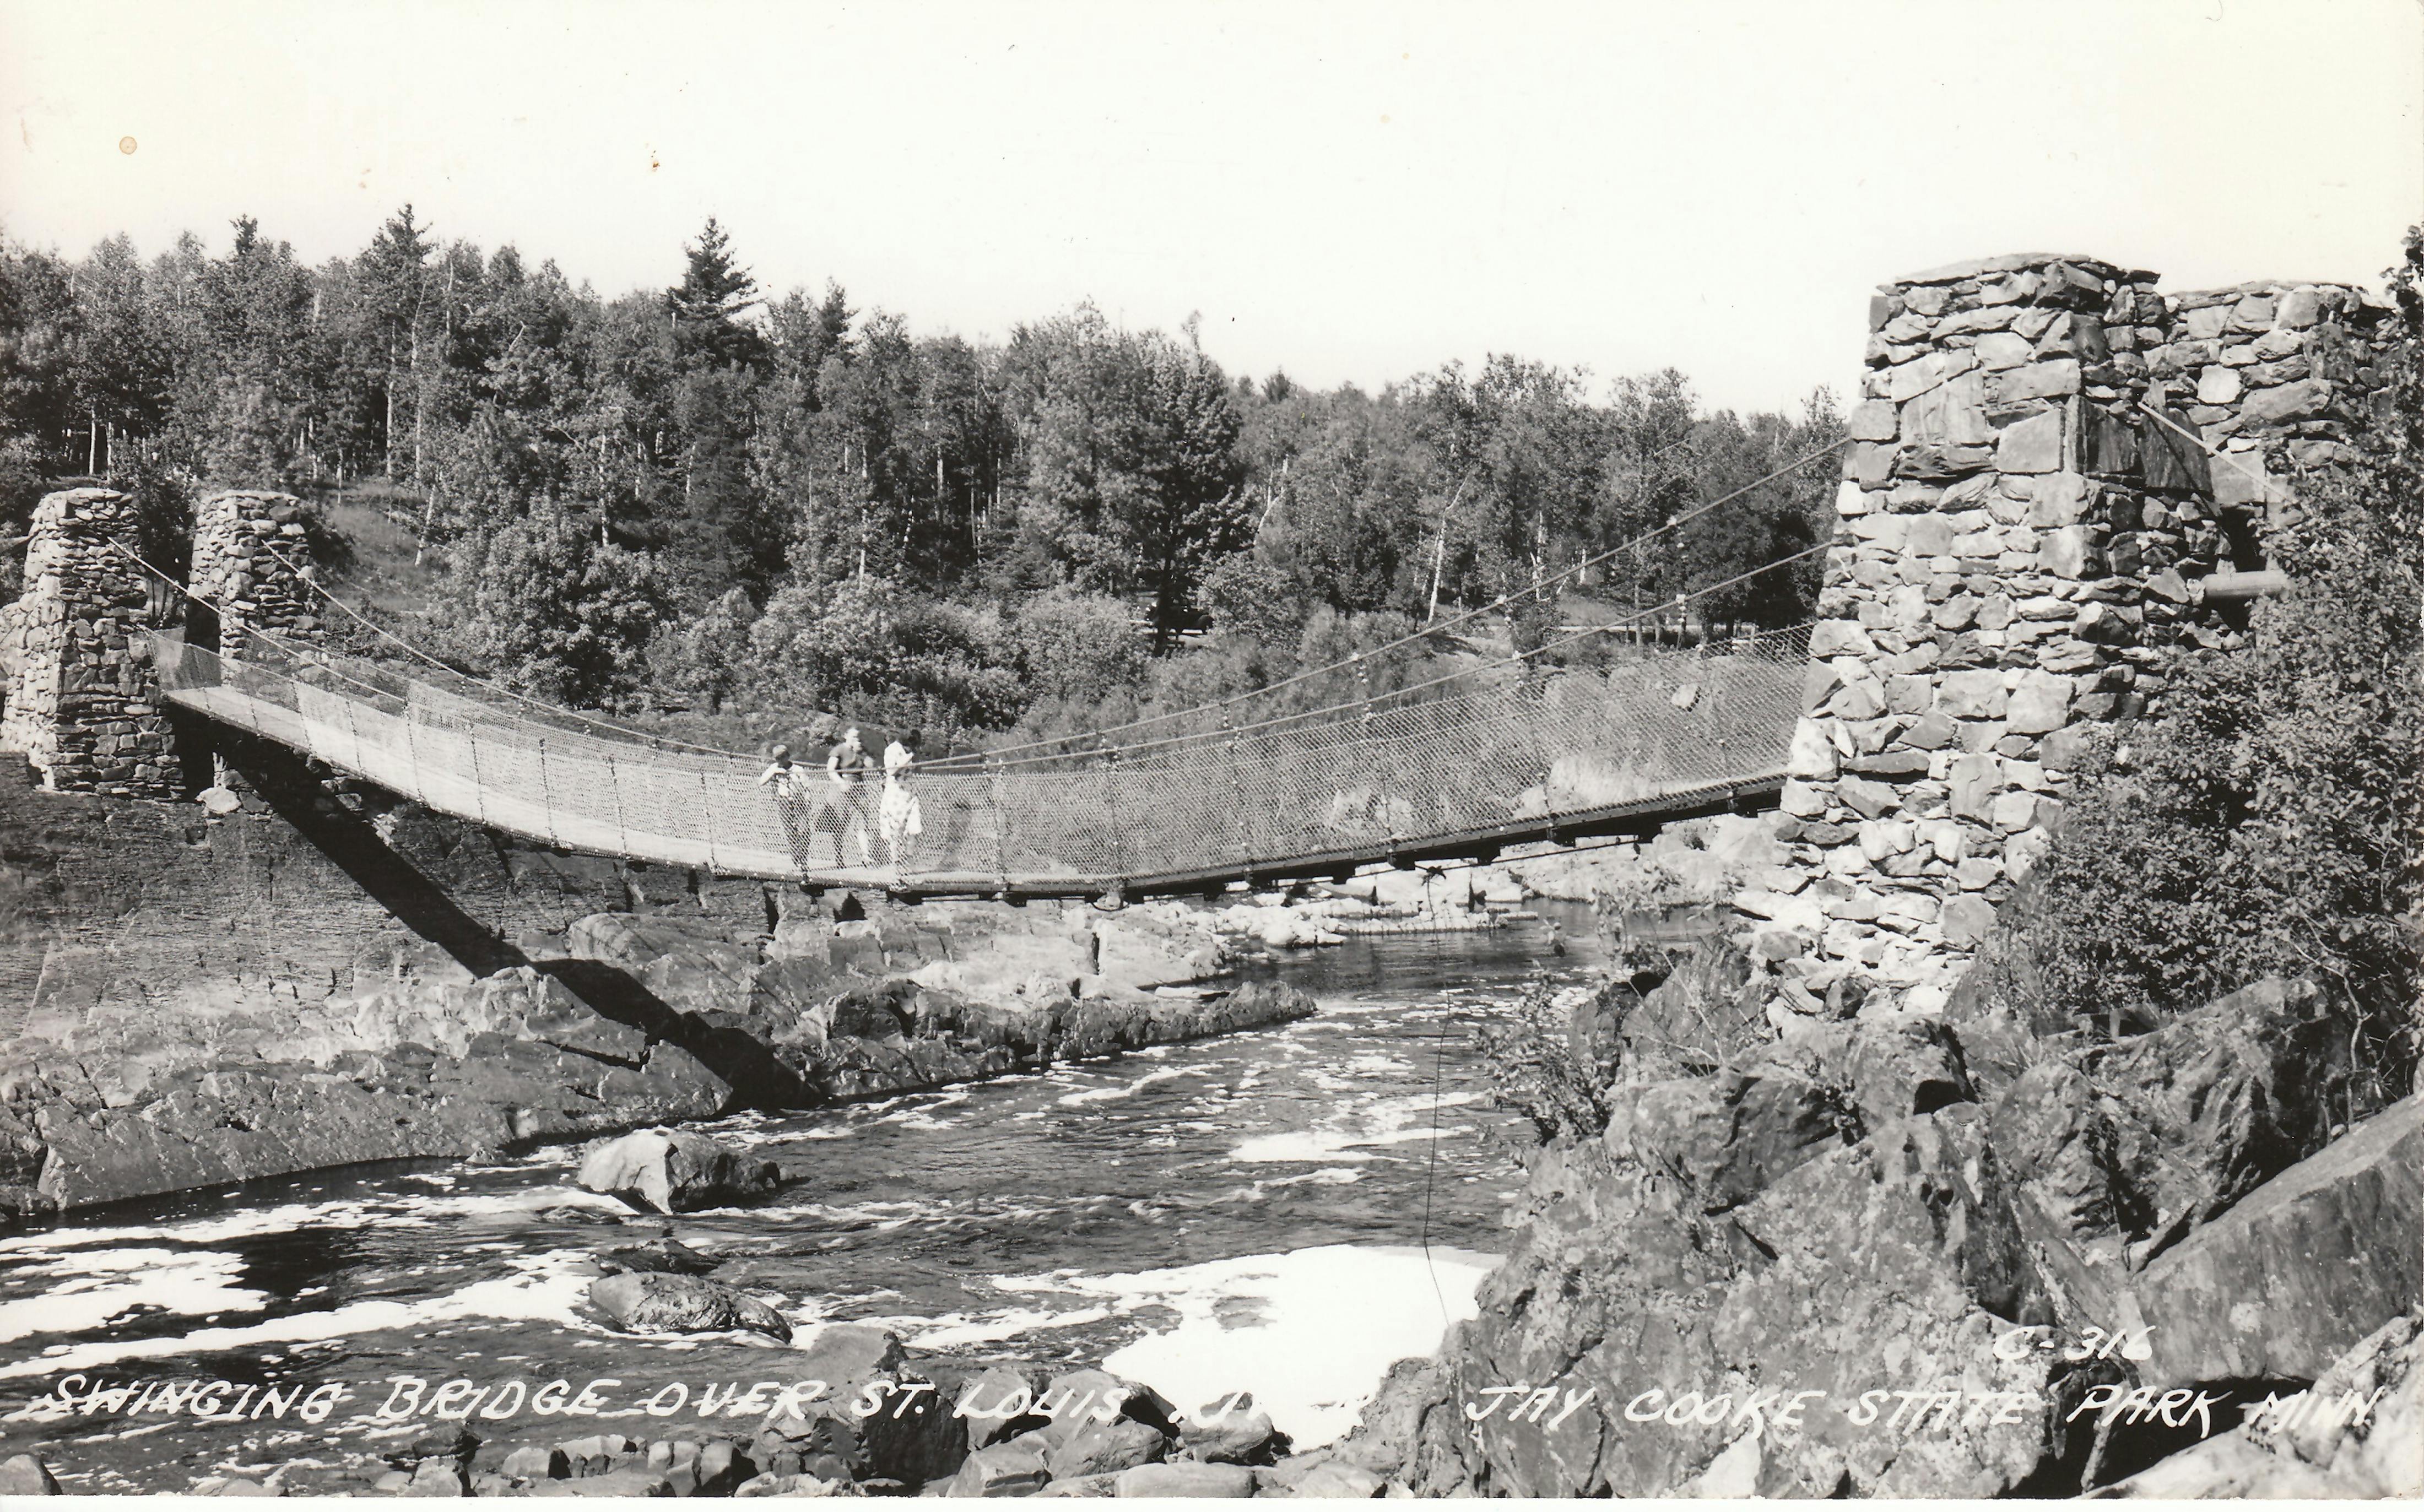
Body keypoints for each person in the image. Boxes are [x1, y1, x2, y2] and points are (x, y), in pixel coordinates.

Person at [826, 727, 878, 868]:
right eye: (854, 737)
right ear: (846, 736)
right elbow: (830, 770)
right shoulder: (839, 750)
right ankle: (839, 856)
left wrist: (863, 753)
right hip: (843, 790)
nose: (857, 740)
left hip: (859, 789)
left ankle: (866, 856)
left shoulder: (861, 751)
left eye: (859, 737)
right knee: (840, 825)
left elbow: (871, 766)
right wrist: (841, 783)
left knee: (862, 822)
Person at [755, 744, 811, 866]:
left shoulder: (798, 770)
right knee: (790, 831)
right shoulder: (774, 768)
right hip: (784, 801)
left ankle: (804, 857)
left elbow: (807, 788)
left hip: (799, 801)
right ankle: (797, 859)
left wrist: (807, 803)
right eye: (777, 758)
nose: (779, 761)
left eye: (781, 758)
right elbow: (761, 782)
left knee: (805, 830)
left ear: (787, 756)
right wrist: (775, 772)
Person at [878, 727, 924, 871]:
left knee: (914, 827)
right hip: (896, 792)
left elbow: (917, 770)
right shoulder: (893, 749)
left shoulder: (910, 751)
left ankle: (909, 859)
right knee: (895, 827)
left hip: (910, 792)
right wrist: (909, 756)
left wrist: (917, 758)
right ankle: (896, 862)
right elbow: (892, 770)